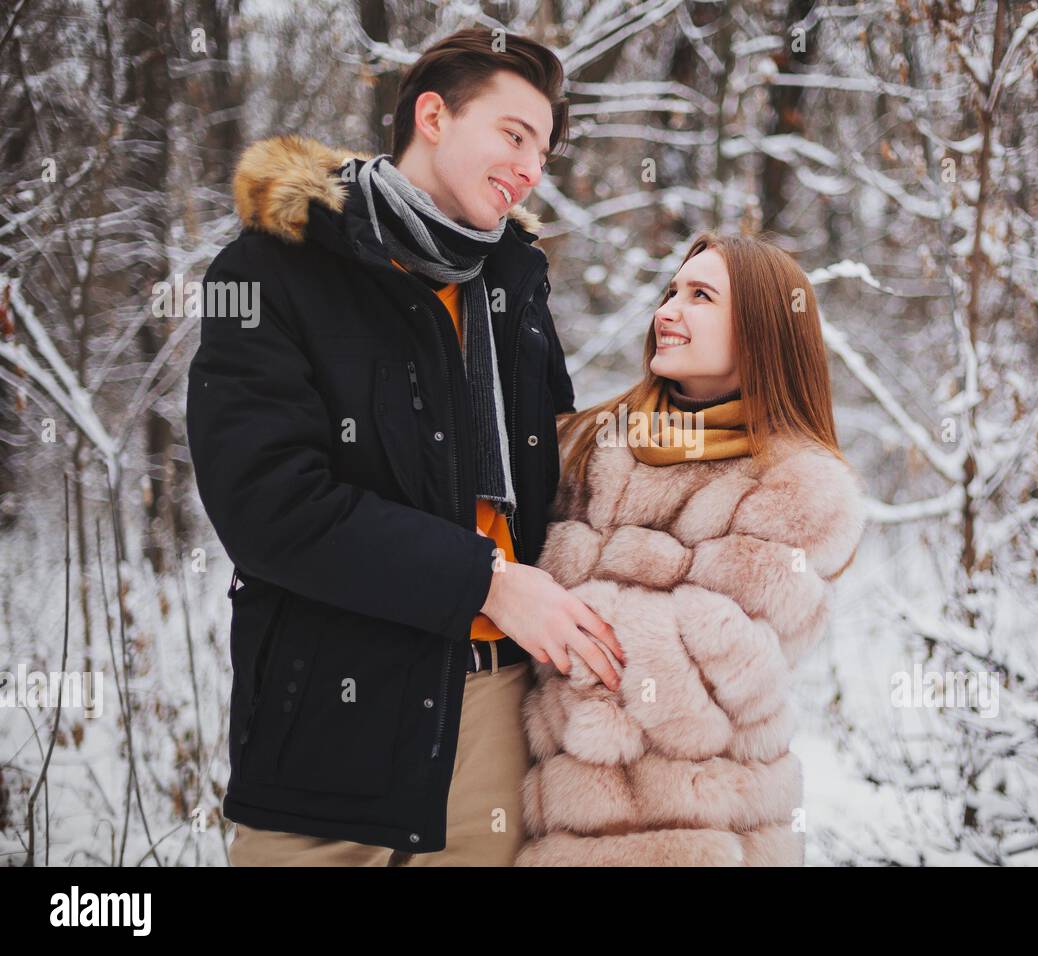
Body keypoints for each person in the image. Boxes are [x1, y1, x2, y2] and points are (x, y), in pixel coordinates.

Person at [186, 27, 623, 867]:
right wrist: (487, 581)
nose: (532, 169)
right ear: (432, 115)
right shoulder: (272, 269)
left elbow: (555, 477)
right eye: (514, 134)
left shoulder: (513, 287)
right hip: (328, 722)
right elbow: (271, 508)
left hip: (499, 713)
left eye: (544, 150)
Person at [513, 232, 868, 866]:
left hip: (703, 835)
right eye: (671, 292)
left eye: (700, 296)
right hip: (559, 836)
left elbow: (703, 671)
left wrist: (556, 611)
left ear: (761, 329)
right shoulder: (596, 445)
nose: (667, 313)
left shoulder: (801, 486)